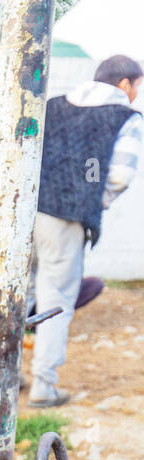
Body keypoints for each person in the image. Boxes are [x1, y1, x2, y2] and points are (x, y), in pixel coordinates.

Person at [26, 54, 142, 408]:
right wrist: (92, 200)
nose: (137, 93)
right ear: (124, 84)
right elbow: (120, 175)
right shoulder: (125, 117)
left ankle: (5, 373)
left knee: (15, 295)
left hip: (24, 212)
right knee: (56, 299)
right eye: (137, 86)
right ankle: (43, 386)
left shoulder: (55, 106)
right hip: (66, 218)